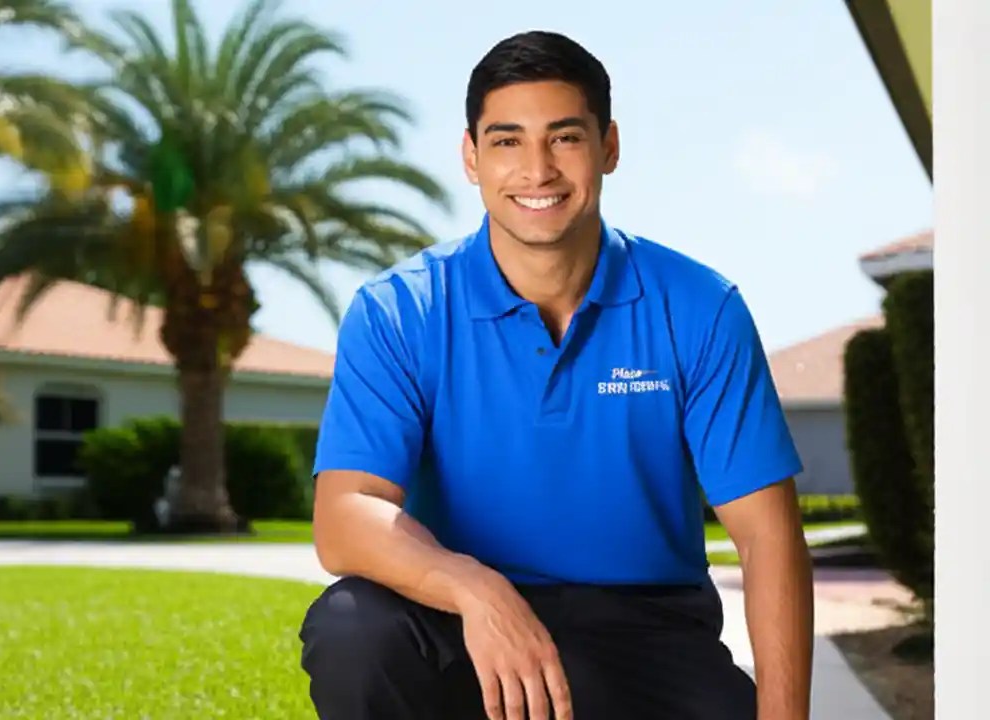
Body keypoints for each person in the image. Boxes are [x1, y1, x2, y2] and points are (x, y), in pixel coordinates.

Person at [297, 29, 814, 720]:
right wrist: (476, 589)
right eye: (507, 140)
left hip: (646, 628)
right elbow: (344, 518)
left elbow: (767, 536)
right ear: (471, 157)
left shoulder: (699, 307)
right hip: (460, 622)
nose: (536, 169)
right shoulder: (400, 310)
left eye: (564, 137)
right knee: (354, 625)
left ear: (609, 146)